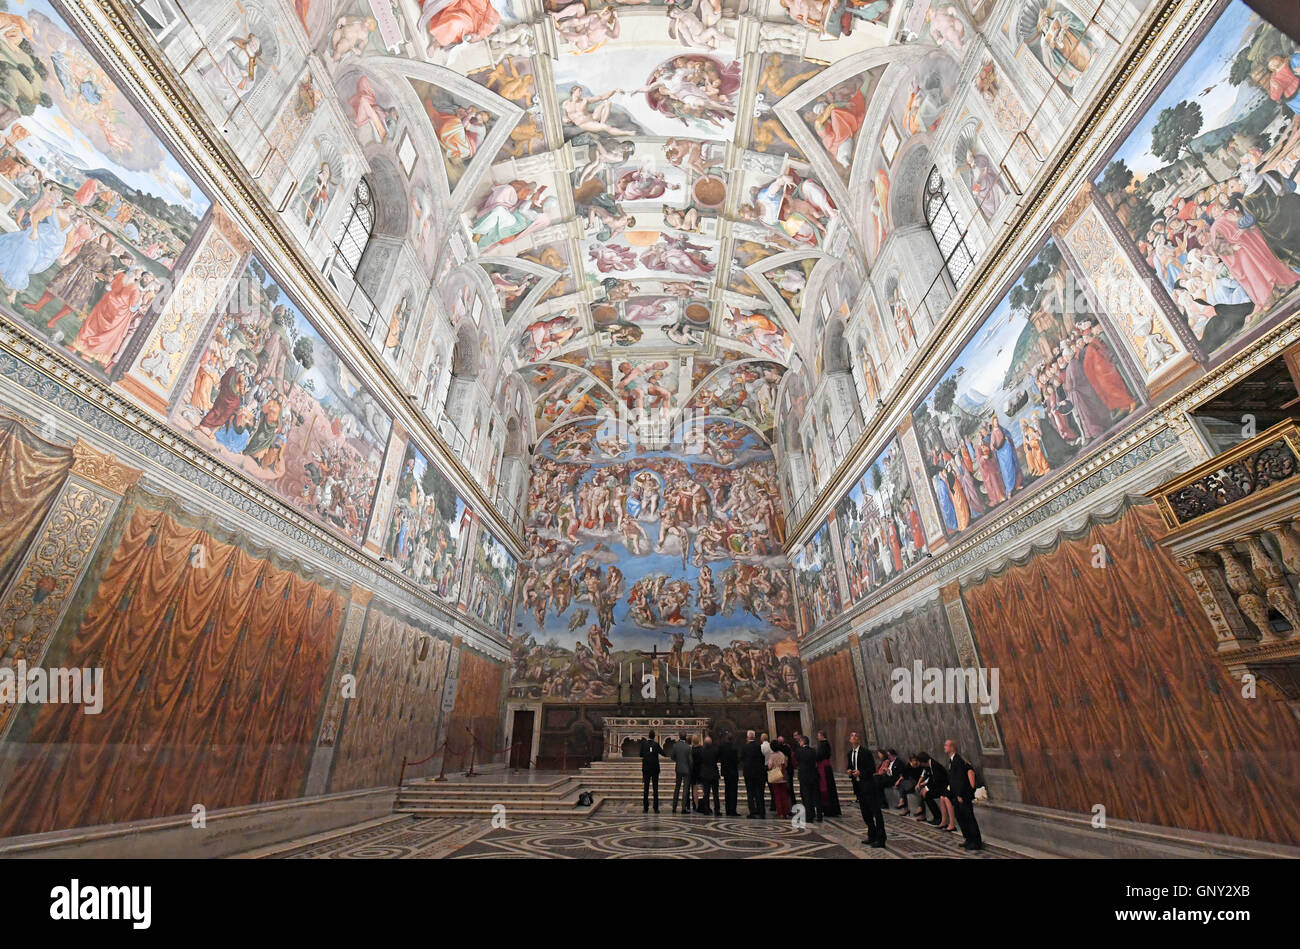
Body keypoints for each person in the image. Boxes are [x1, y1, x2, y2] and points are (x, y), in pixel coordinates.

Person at [847, 732, 886, 847]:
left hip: (869, 786)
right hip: (858, 787)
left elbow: (872, 769)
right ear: (850, 740)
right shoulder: (850, 754)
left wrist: (861, 773)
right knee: (865, 813)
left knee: (875, 812)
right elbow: (850, 766)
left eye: (856, 735)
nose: (854, 737)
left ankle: (881, 838)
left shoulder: (866, 752)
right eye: (852, 736)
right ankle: (871, 835)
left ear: (859, 739)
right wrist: (849, 771)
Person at [945, 739, 983, 850]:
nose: (945, 747)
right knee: (960, 817)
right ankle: (968, 838)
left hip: (962, 795)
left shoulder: (958, 760)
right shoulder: (951, 761)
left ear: (952, 747)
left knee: (968, 817)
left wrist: (960, 794)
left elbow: (960, 779)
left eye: (946, 745)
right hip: (956, 795)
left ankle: (975, 841)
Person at [794, 735, 823, 822]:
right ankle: (819, 815)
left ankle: (809, 816)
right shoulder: (813, 751)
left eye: (800, 741)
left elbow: (797, 760)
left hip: (804, 776)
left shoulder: (799, 751)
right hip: (814, 775)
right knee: (816, 796)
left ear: (803, 742)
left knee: (807, 797)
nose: (799, 743)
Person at [740, 729, 767, 819]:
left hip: (748, 773)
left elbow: (742, 759)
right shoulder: (759, 746)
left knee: (750, 793)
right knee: (759, 793)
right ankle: (761, 812)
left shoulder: (744, 747)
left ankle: (752, 812)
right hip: (759, 772)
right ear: (754, 737)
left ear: (748, 737)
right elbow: (762, 758)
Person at [815, 730, 841, 818]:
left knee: (826, 788)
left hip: (824, 767)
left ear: (822, 736)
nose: (817, 737)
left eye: (818, 735)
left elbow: (819, 755)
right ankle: (828, 809)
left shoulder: (823, 744)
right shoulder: (824, 744)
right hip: (824, 767)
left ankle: (829, 809)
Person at [640, 730, 665, 813]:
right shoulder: (656, 744)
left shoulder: (644, 744)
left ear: (648, 736)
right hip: (655, 768)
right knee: (655, 788)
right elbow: (663, 753)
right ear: (654, 736)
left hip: (646, 768)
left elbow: (640, 754)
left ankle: (645, 808)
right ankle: (656, 808)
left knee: (646, 788)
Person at [671, 731, 694, 814]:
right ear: (686, 737)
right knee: (685, 789)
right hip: (687, 769)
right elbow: (690, 760)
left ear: (679, 736)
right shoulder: (688, 747)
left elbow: (672, 757)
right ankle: (683, 808)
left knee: (677, 787)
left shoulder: (675, 746)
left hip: (678, 769)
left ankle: (674, 807)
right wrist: (691, 768)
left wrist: (678, 761)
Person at [697, 735, 721, 816]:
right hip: (714, 773)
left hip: (705, 774)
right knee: (715, 793)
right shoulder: (715, 750)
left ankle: (706, 810)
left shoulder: (701, 751)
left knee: (706, 793)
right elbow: (717, 759)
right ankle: (717, 810)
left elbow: (700, 761)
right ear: (711, 743)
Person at [719, 730, 740, 816]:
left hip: (726, 771)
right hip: (733, 771)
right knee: (733, 792)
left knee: (727, 791)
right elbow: (737, 760)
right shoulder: (734, 748)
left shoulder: (722, 747)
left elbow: (720, 758)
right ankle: (733, 810)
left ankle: (728, 810)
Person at [768, 742, 791, 818]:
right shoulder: (782, 754)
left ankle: (780, 812)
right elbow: (785, 764)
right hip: (782, 775)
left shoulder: (772, 756)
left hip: (775, 776)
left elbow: (770, 766)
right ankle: (786, 812)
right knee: (784, 795)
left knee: (777, 795)